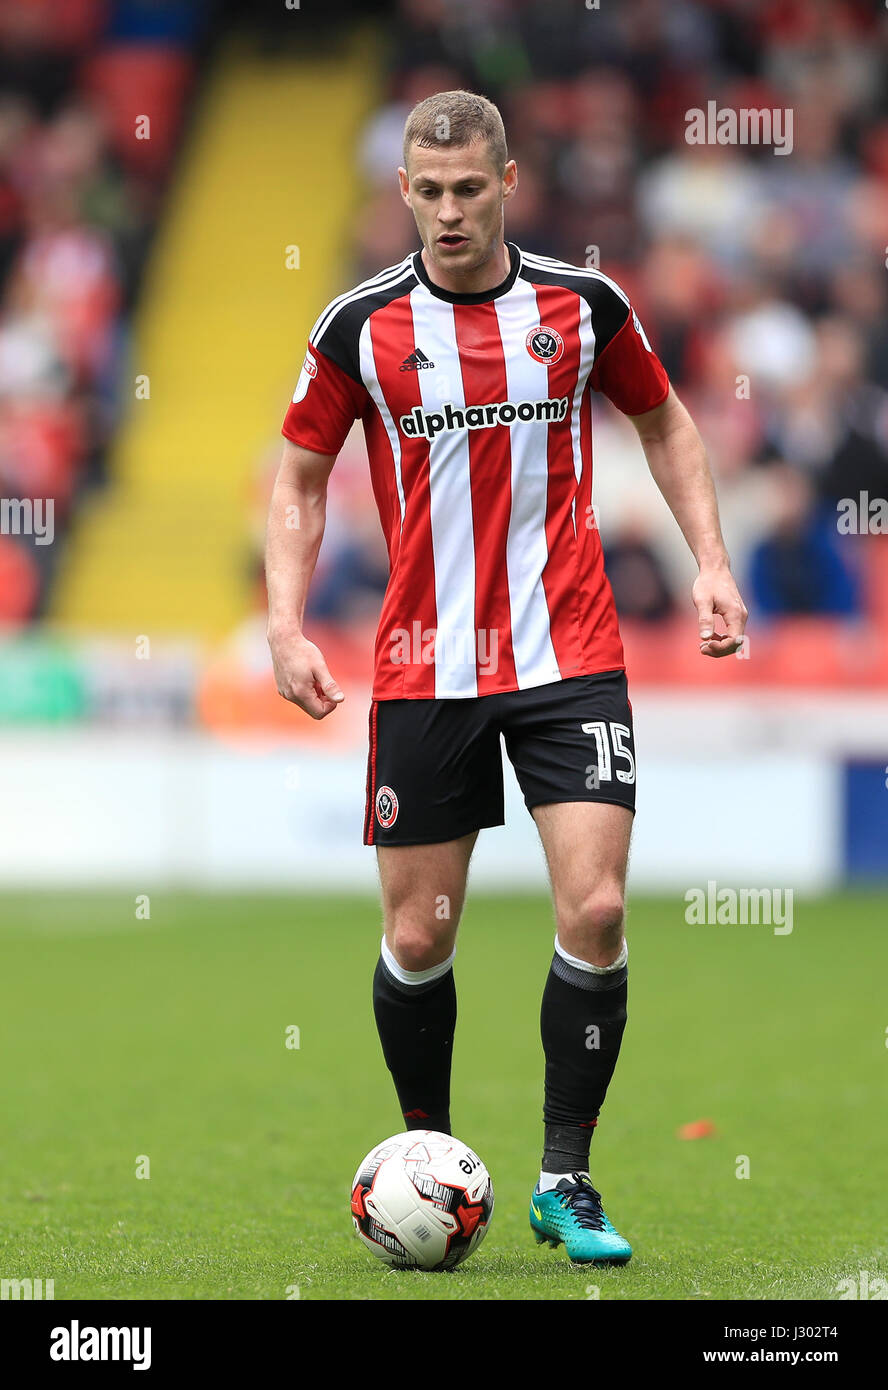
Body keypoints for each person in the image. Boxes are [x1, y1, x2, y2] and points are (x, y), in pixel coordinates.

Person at [265, 90, 747, 1266]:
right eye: (426, 192)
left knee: (597, 907)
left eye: (467, 189)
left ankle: (564, 1178)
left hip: (570, 656)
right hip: (425, 668)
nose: (445, 212)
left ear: (508, 183)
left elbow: (670, 424)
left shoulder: (582, 307)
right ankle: (426, 1157)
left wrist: (713, 565)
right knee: (421, 940)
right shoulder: (359, 329)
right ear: (404, 195)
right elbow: (299, 476)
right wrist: (283, 623)